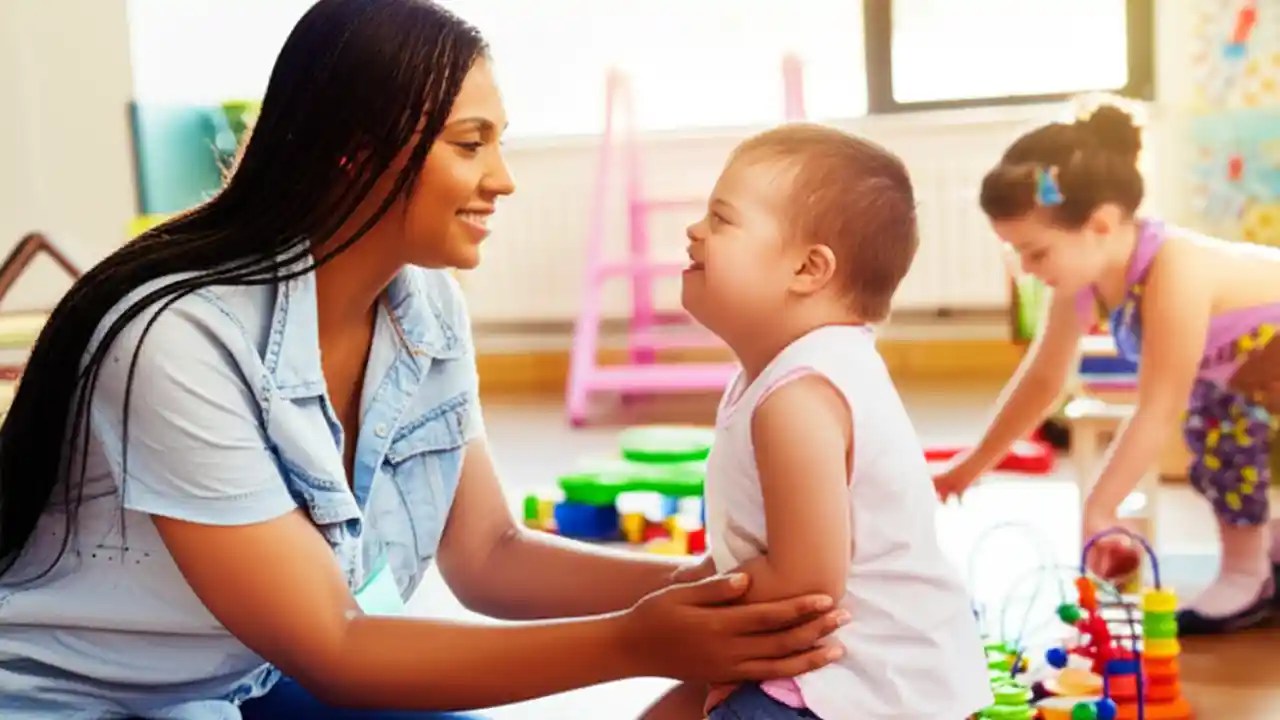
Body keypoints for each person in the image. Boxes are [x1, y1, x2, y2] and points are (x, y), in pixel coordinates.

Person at [0, 2, 851, 718]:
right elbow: (335, 643)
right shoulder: (181, 340)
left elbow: (488, 556)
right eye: (471, 143)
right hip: (64, 698)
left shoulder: (424, 310)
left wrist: (709, 587)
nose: (504, 179)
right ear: (355, 150)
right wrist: (637, 642)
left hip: (225, 680)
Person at [675, 124, 992, 719]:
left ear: (808, 269)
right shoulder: (793, 374)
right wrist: (695, 584)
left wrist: (693, 624)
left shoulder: (798, 398)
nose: (694, 230)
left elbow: (805, 581)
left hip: (865, 690)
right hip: (861, 672)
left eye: (721, 219)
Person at [933, 103, 1280, 635]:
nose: (1026, 269)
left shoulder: (1176, 269)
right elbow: (1042, 381)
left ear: (1101, 224)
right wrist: (971, 465)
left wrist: (1102, 506)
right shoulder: (1081, 283)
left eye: (1035, 251)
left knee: (1205, 418)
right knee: (1218, 434)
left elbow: (1157, 407)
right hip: (1238, 382)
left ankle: (1255, 563)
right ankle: (1249, 569)